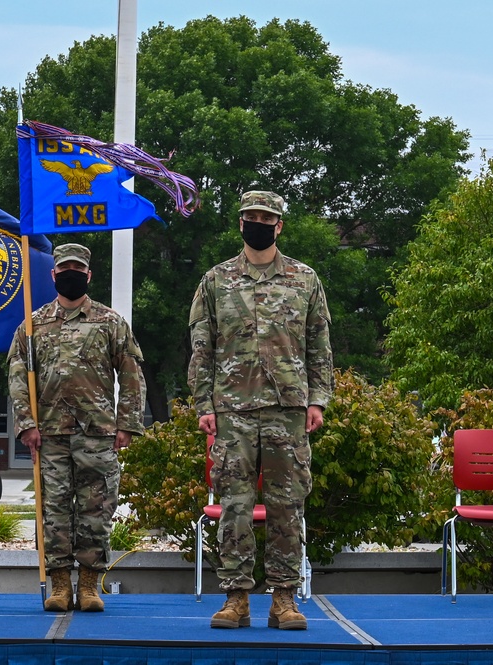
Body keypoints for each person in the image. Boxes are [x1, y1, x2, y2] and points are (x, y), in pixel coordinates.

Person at [188, 190, 334, 631]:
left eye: (265, 217)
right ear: (240, 224)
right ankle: (236, 598)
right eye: (250, 216)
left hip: (288, 409)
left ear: (279, 225)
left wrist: (317, 399)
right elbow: (201, 347)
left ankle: (284, 599)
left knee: (288, 505)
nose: (258, 223)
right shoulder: (216, 281)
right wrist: (203, 403)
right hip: (232, 410)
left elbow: (319, 345)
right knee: (234, 505)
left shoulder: (304, 279)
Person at [7, 242, 145, 613]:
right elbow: (18, 377)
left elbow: (131, 374)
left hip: (97, 433)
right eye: (64, 269)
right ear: (53, 275)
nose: (71, 274)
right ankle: (59, 586)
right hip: (49, 435)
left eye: (77, 270)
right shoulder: (33, 325)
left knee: (96, 510)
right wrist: (25, 425)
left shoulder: (109, 322)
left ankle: (87, 586)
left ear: (88, 275)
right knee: (53, 512)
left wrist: (127, 425)